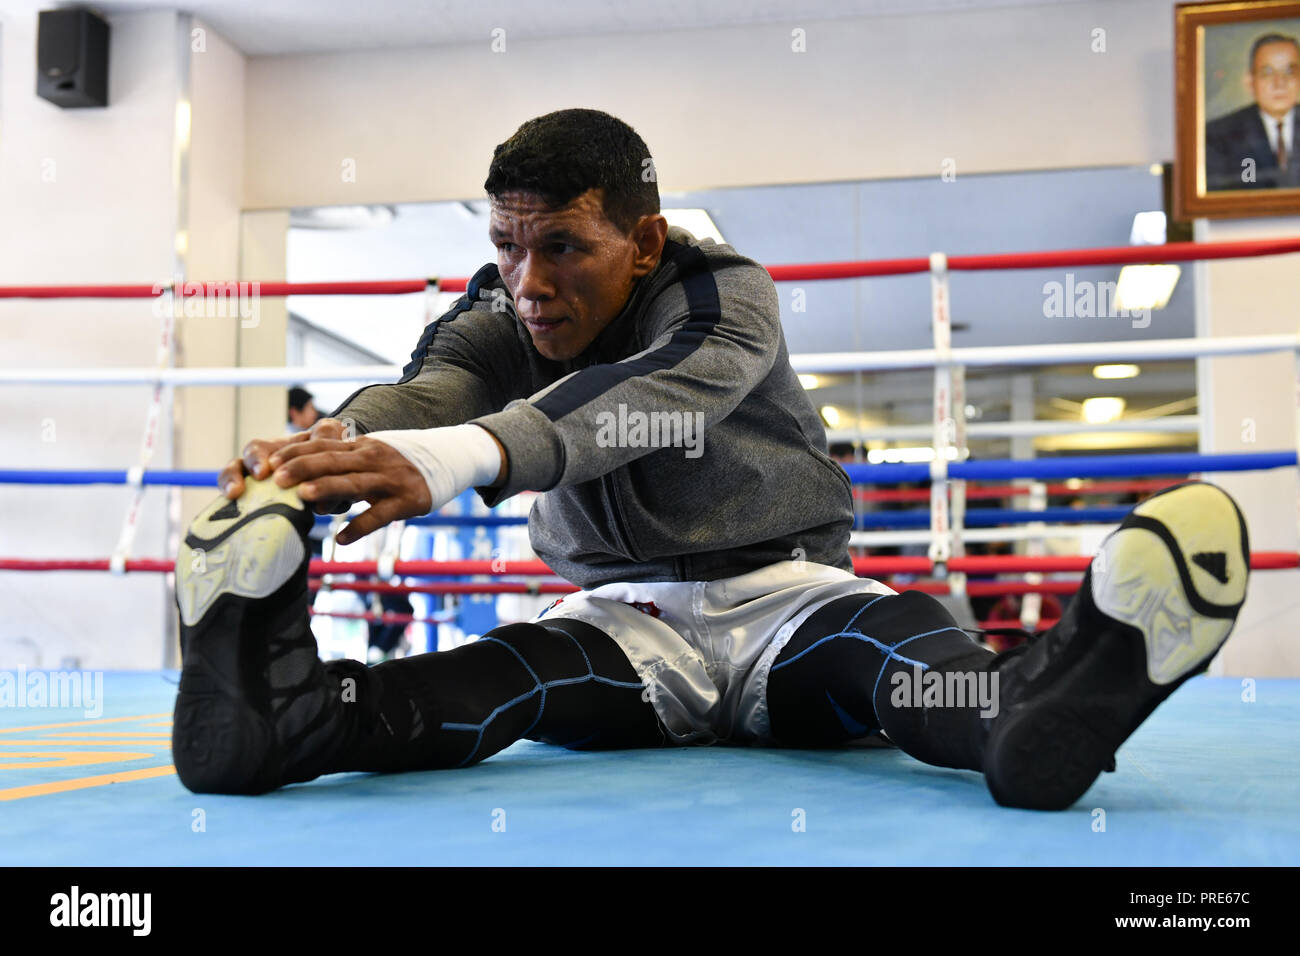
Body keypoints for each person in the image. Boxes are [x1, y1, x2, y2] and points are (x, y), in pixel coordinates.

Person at [171, 109, 1251, 811]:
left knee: (899, 651)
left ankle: (1032, 716)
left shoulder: (722, 294)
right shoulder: (507, 302)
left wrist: (451, 458)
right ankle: (292, 716)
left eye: (560, 246)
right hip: (618, 618)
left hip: (790, 593)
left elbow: (639, 407)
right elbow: (436, 384)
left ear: (640, 243)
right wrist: (336, 449)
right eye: (506, 242)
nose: (526, 277)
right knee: (504, 677)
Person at [1205, 32, 1300, 191]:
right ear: (1250, 82)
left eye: (1289, 72)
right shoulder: (1219, 136)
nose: (1279, 83)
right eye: (1267, 73)